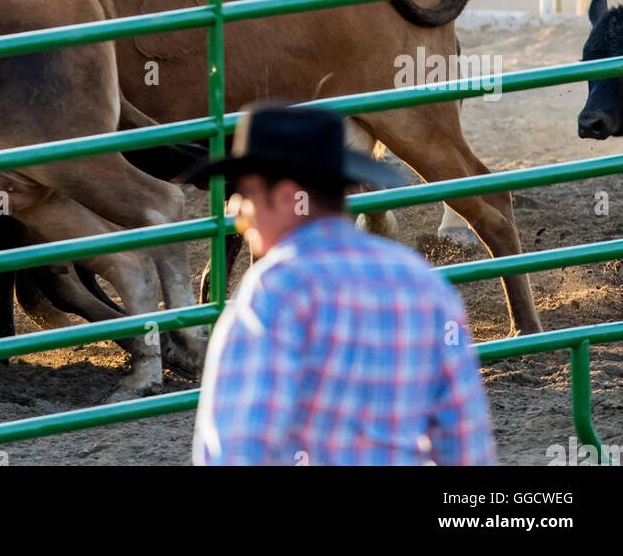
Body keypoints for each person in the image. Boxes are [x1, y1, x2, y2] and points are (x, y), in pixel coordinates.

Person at [187, 103, 496, 466]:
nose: (239, 212)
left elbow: (236, 449)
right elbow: (466, 448)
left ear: (288, 197)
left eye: (247, 195)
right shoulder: (423, 285)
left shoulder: (272, 293)